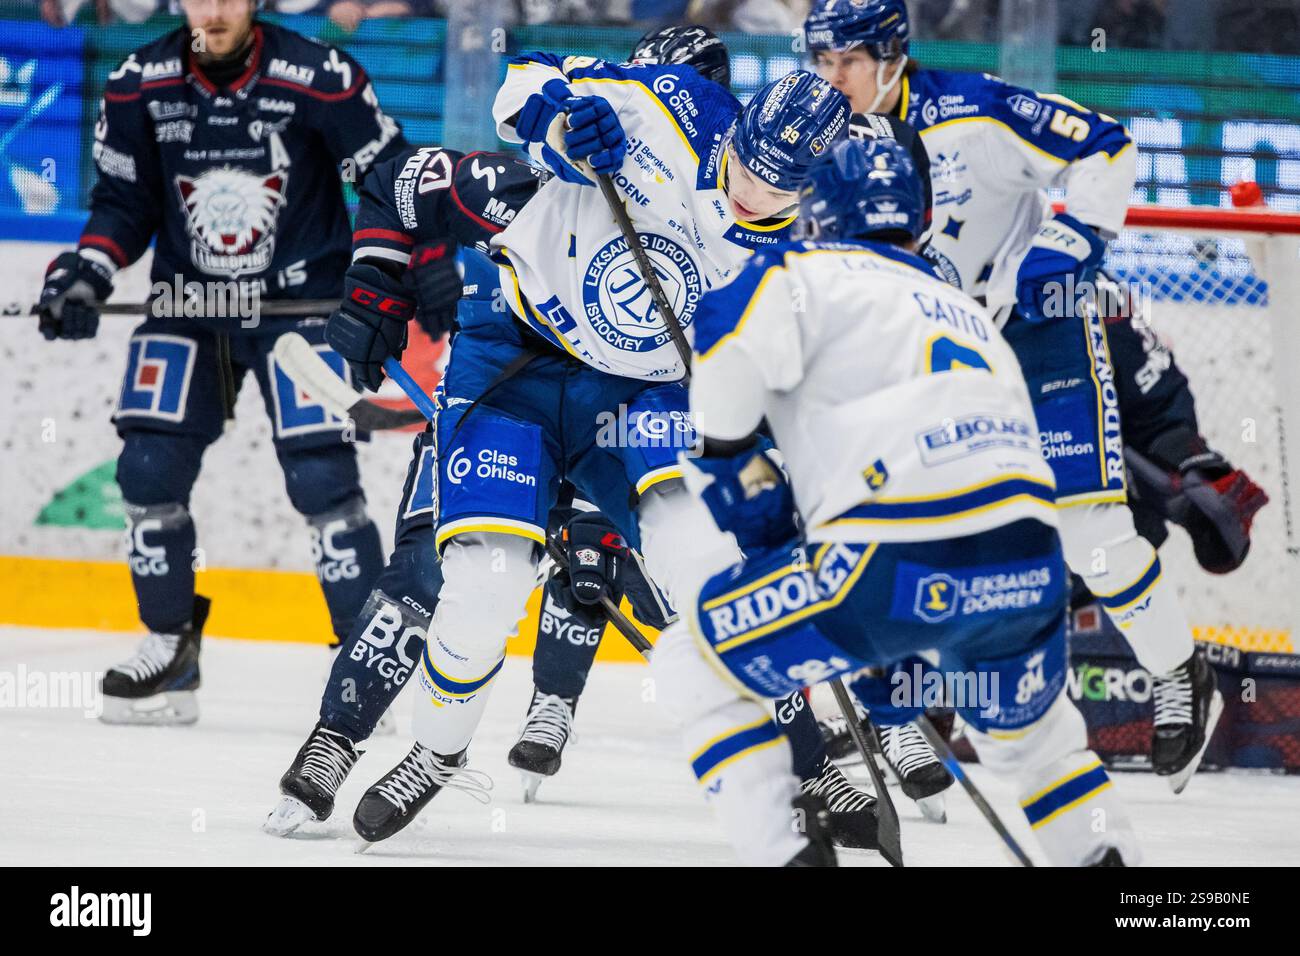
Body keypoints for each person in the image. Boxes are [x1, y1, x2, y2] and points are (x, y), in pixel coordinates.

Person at [336, 58, 853, 847]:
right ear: (738, 125)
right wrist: (559, 122)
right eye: (748, 165)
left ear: (809, 186)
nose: (754, 192)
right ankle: (436, 752)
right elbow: (523, 84)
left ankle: (804, 763)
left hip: (646, 397)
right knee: (487, 583)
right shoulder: (675, 103)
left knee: (714, 571)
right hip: (520, 364)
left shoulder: (811, 252)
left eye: (779, 188)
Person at [803, 0, 1256, 792]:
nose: (832, 79)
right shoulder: (814, 133)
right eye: (821, 61)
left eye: (847, 60)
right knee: (909, 529)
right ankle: (905, 717)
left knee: (1093, 537)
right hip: (921, 349)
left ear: (892, 54)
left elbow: (1106, 146)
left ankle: (1179, 670)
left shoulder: (974, 109)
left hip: (1035, 334)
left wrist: (1071, 241)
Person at [654, 135, 1141, 867]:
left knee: (692, 662)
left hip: (887, 561)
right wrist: (896, 653)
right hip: (1031, 566)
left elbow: (725, 374)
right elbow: (963, 481)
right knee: (1046, 755)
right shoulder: (967, 309)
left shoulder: (795, 269)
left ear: (816, 213)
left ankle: (785, 856)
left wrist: (743, 486)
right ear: (920, 220)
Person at [36, 0, 406, 724]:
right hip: (187, 307)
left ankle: (363, 663)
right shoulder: (139, 81)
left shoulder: (321, 74)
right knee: (146, 471)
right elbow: (122, 204)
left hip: (300, 312)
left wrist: (405, 271)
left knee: (323, 477)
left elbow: (389, 178)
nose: (213, 11)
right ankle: (171, 650)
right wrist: (84, 276)